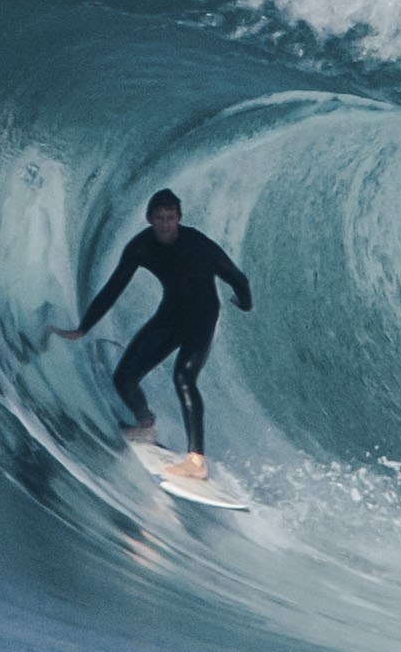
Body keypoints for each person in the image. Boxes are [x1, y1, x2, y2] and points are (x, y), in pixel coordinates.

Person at [51, 188, 252, 481]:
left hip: (202, 317)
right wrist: (84, 327)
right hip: (170, 316)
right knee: (123, 378)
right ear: (149, 219)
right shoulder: (141, 247)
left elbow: (237, 278)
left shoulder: (198, 245)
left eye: (171, 218)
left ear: (179, 219)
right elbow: (114, 287)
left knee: (184, 377)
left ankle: (196, 461)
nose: (166, 224)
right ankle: (145, 424)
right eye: (160, 218)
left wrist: (245, 303)